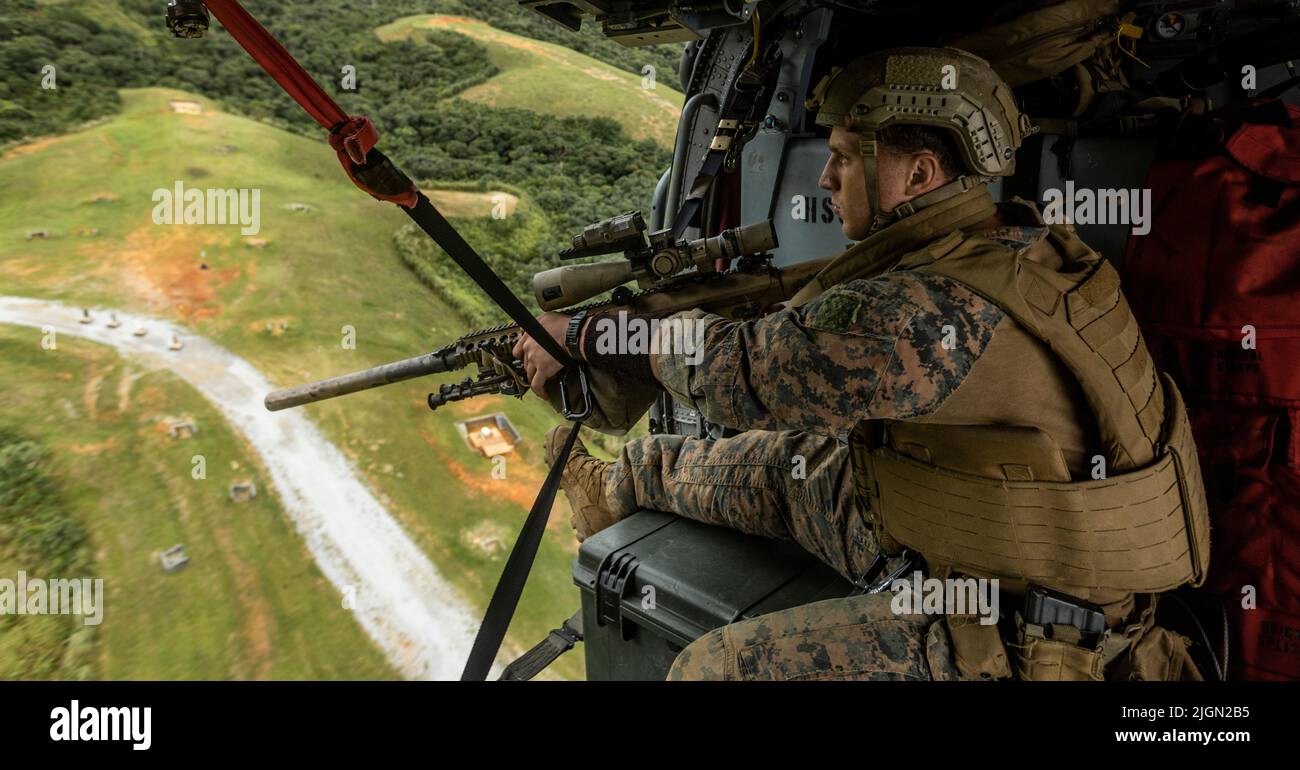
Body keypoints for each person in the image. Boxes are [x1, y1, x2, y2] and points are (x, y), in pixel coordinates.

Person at [514, 47, 1210, 681]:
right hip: (977, 542)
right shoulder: (1016, 245)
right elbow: (809, 345)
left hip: (1023, 632)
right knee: (787, 467)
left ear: (917, 172)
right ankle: (620, 487)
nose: (826, 175)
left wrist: (600, 332)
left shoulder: (933, 308)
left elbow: (744, 377)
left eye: (846, 156)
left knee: (706, 671)